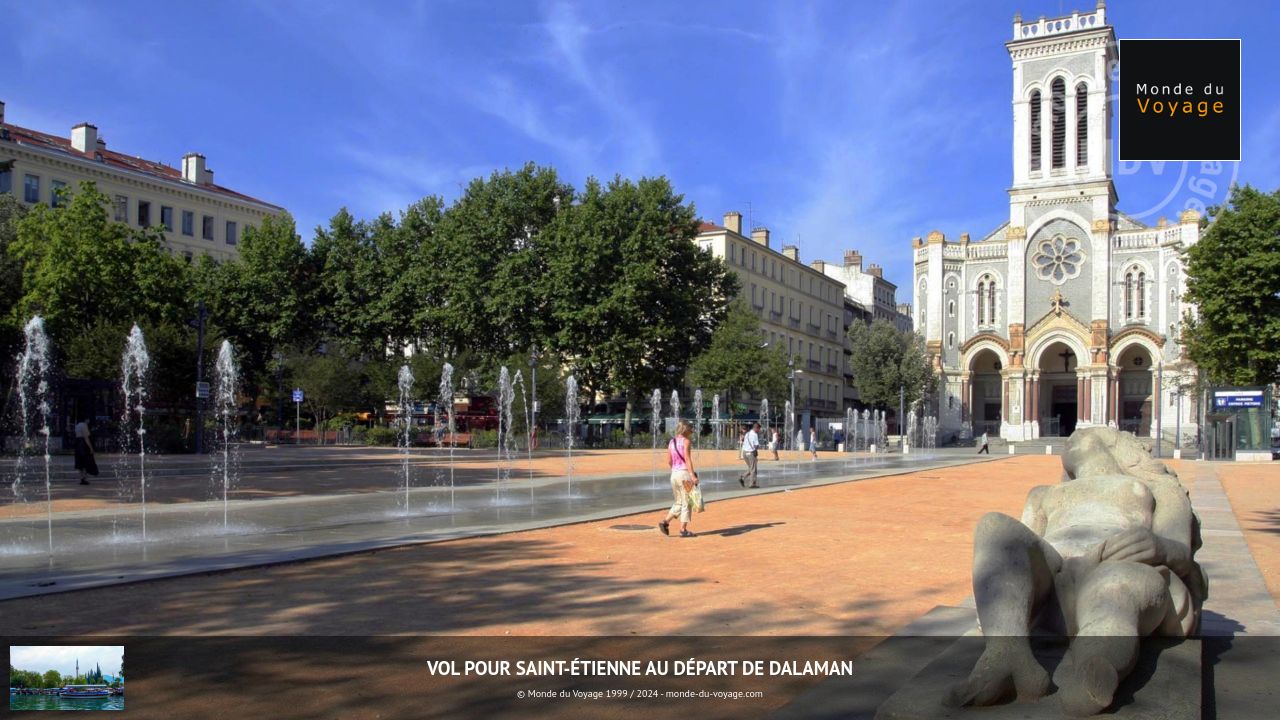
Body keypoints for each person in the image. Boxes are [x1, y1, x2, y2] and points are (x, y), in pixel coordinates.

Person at [950, 427, 1206, 716]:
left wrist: (1160, 546)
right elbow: (1022, 550)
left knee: (1115, 589)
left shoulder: (1158, 488)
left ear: (1117, 444)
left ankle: (1094, 670)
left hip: (1117, 566)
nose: (1074, 437)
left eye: (1084, 433)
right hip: (1054, 578)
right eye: (1070, 437)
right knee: (993, 526)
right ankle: (1007, 656)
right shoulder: (1043, 494)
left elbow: (1181, 552)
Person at [658, 420, 699, 538]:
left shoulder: (671, 442)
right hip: (684, 475)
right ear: (686, 430)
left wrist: (675, 469)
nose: (692, 431)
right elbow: (687, 459)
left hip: (674, 474)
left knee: (679, 502)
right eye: (691, 429)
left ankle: (665, 522)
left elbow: (669, 461)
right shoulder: (686, 442)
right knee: (687, 502)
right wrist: (692, 475)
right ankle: (683, 529)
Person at [73, 418, 98, 485]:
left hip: (78, 444)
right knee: (86, 461)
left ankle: (81, 477)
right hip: (83, 445)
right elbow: (86, 438)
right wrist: (91, 448)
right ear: (86, 419)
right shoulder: (84, 425)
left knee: (80, 462)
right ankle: (84, 478)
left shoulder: (77, 425)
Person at [738, 422, 761, 488]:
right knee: (753, 469)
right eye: (758, 429)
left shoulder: (747, 433)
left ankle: (742, 477)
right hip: (751, 453)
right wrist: (756, 450)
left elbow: (744, 442)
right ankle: (752, 484)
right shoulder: (755, 434)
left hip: (745, 453)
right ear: (756, 428)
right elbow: (756, 445)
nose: (759, 431)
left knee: (751, 468)